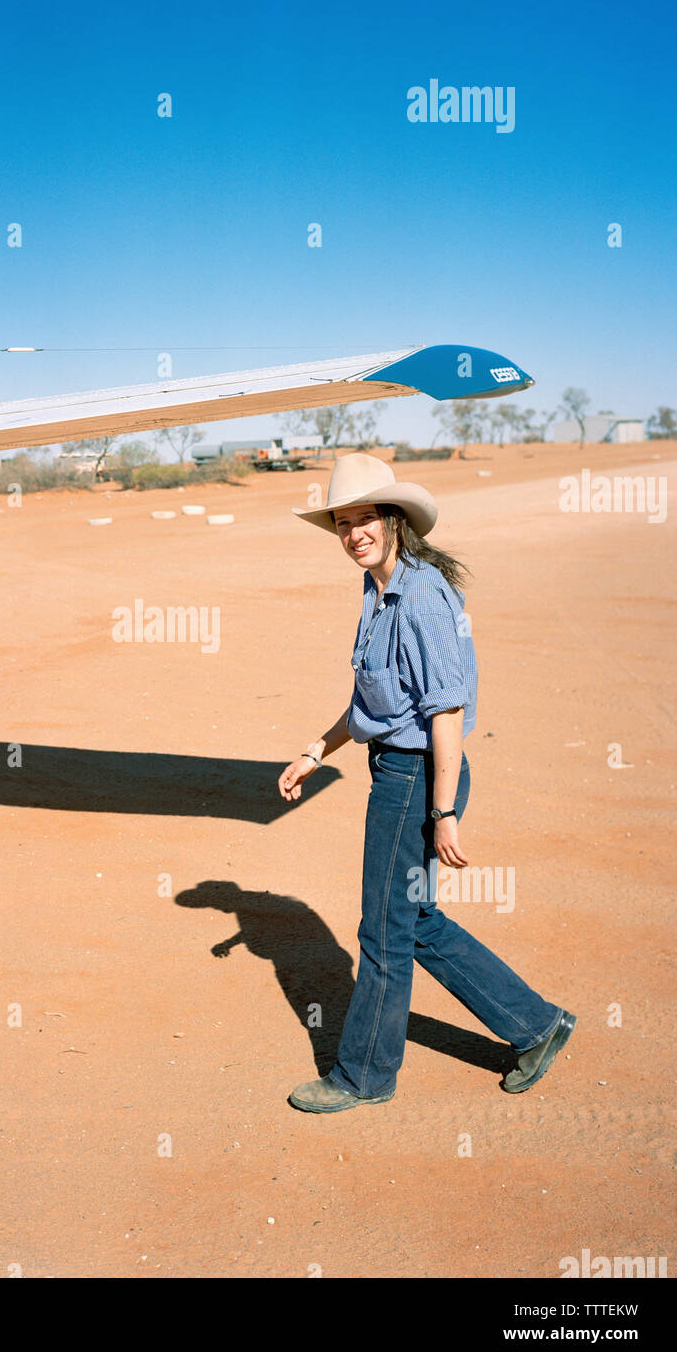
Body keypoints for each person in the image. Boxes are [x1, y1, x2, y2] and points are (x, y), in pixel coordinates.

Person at [278, 453, 575, 1114]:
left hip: (415, 779)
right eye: (343, 522)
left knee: (383, 932)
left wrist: (442, 813)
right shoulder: (377, 589)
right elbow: (376, 702)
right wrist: (315, 751)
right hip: (396, 768)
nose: (353, 533)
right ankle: (535, 1025)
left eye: (365, 519)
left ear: (393, 520)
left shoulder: (419, 598)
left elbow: (444, 714)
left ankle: (361, 1076)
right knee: (412, 922)